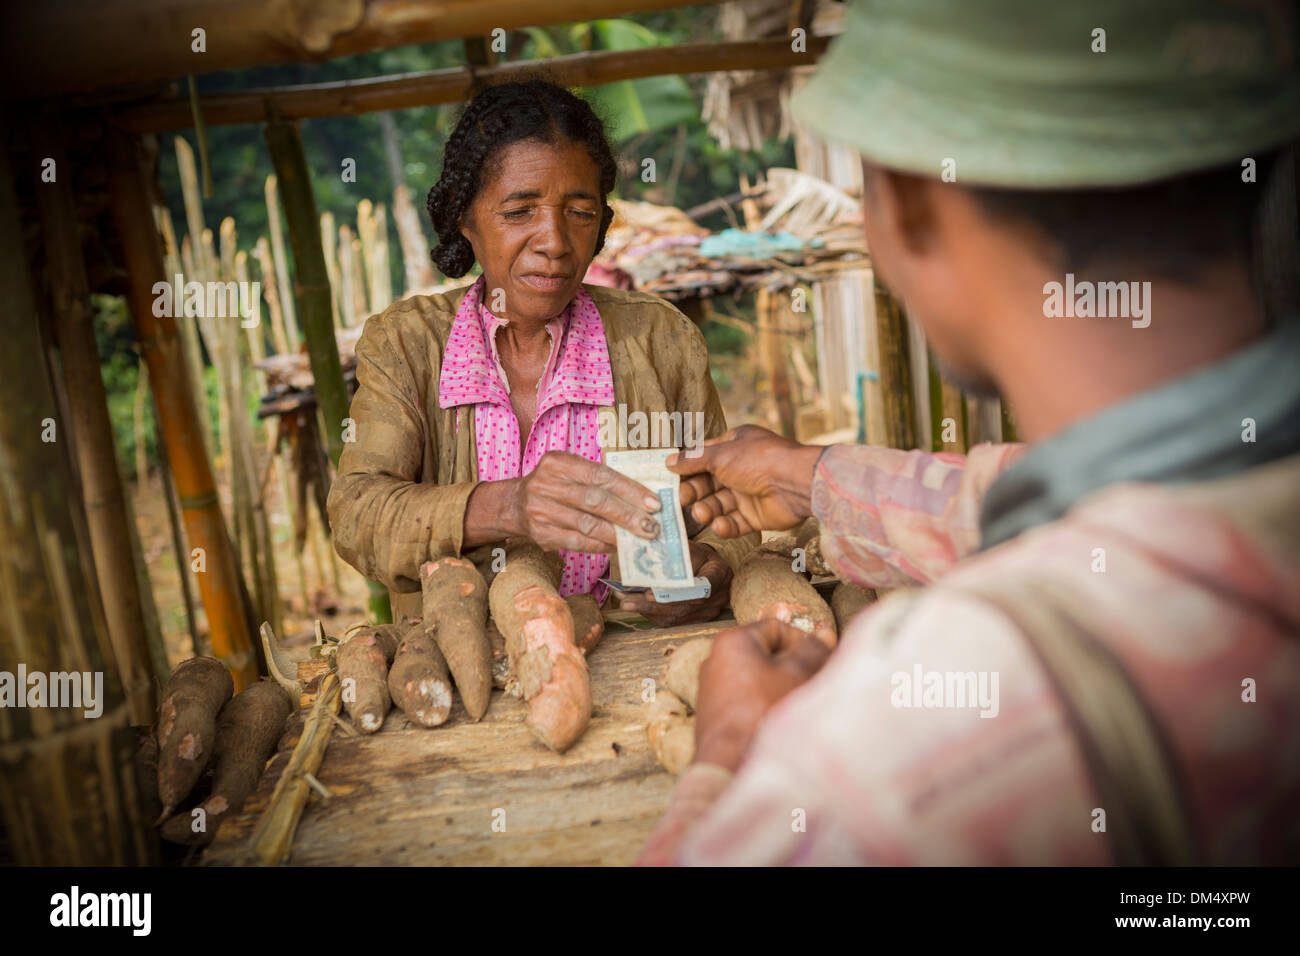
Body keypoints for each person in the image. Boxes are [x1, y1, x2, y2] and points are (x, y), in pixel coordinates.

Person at [640, 0, 1300, 865]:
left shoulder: (883, 767)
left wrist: (730, 750)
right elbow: (1048, 502)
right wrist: (805, 477)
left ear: (909, 205)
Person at [328, 79, 755, 628]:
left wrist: (714, 574)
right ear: (466, 217)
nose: (554, 240)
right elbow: (357, 515)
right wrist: (509, 506)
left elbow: (729, 516)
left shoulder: (661, 340)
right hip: (469, 668)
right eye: (519, 210)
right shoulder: (407, 345)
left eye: (579, 211)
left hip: (642, 661)